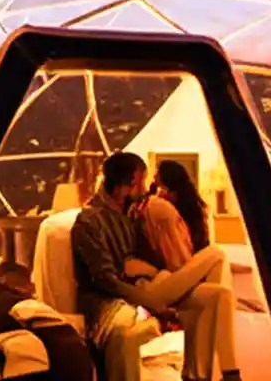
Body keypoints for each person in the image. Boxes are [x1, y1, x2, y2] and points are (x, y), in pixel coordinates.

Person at [71, 152, 240, 381]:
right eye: (142, 180)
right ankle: (229, 373)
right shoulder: (90, 220)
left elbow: (141, 255)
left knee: (219, 294)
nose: (148, 186)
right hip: (140, 294)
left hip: (153, 283)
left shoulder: (128, 211)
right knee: (216, 254)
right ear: (127, 184)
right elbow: (106, 278)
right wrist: (154, 303)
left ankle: (200, 375)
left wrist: (152, 271)